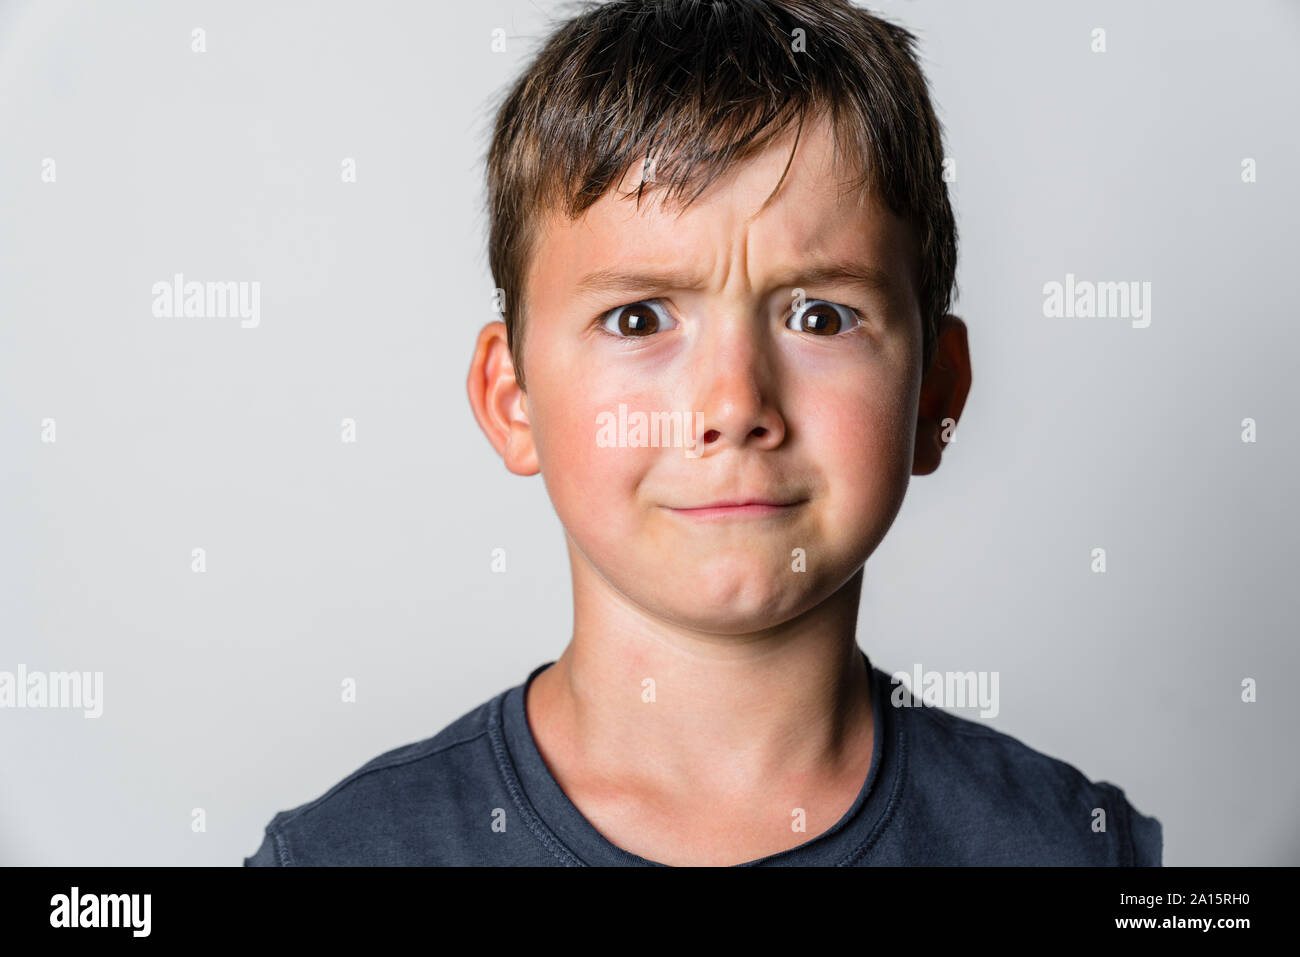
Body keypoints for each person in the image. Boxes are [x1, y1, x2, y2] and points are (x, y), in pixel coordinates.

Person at [245, 0, 1161, 867]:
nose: (733, 403)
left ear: (936, 396)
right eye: (640, 319)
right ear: (512, 398)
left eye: (821, 316)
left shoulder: (1072, 847)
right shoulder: (343, 856)